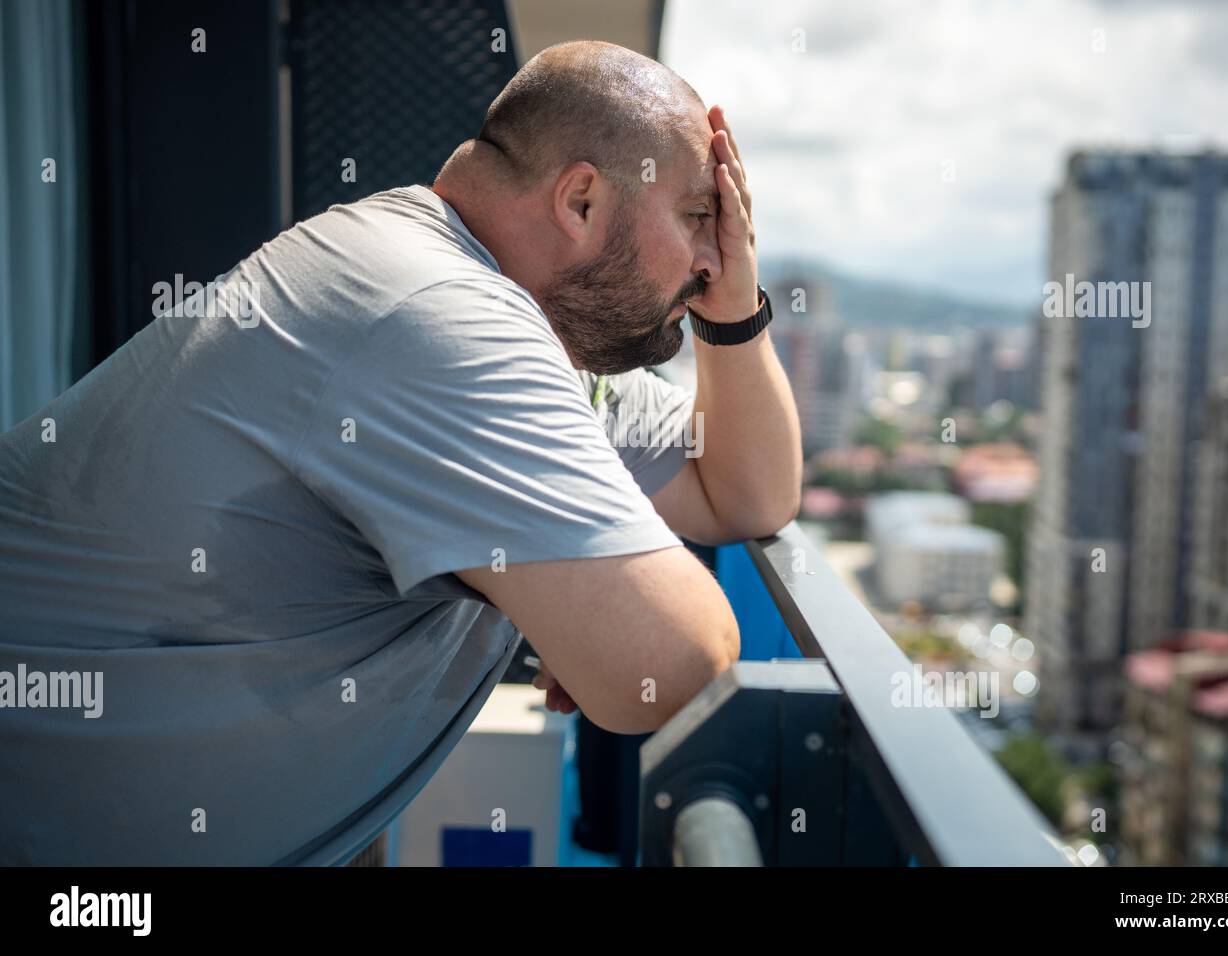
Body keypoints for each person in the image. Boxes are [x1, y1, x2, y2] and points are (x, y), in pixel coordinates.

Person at [0, 40, 801, 865]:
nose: (712, 258)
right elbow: (672, 660)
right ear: (583, 202)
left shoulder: (523, 331)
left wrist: (733, 312)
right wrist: (558, 596)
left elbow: (742, 489)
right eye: (700, 218)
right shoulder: (437, 315)